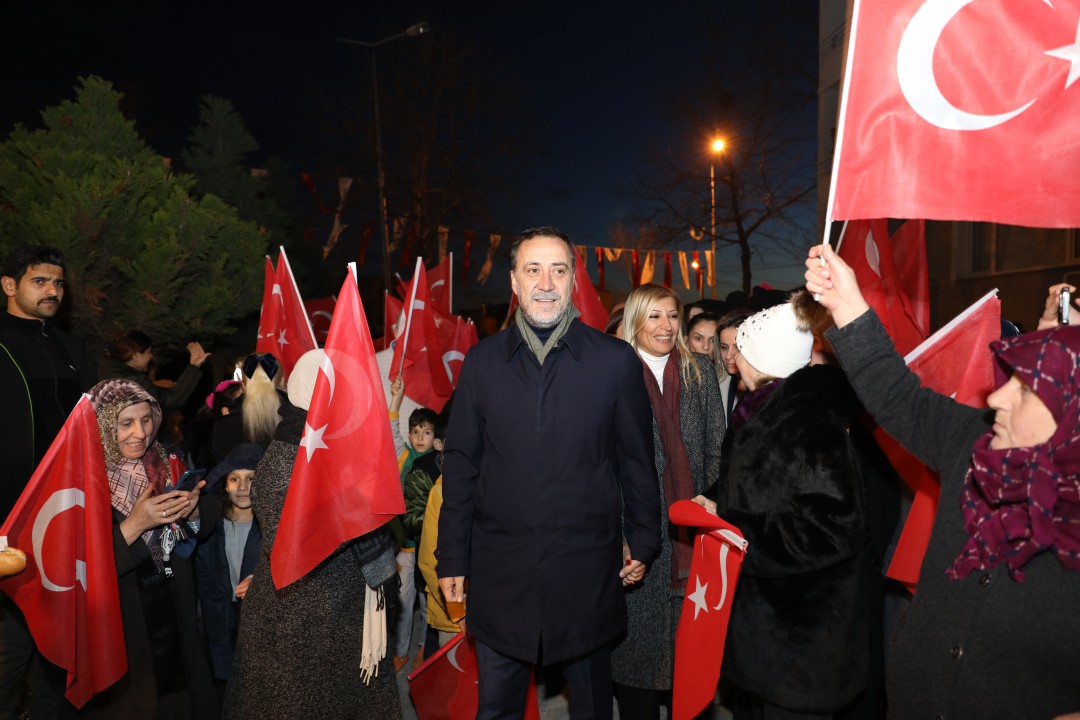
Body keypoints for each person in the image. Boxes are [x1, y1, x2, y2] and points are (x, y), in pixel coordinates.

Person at [806, 243, 1080, 718]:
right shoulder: (972, 443)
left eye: (1026, 387)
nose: (996, 398)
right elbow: (899, 397)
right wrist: (846, 303)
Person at [438, 226, 661, 720]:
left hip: (587, 566)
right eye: (532, 269)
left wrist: (643, 538)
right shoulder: (481, 363)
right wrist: (452, 555)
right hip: (501, 570)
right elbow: (461, 467)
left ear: (572, 279)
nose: (545, 282)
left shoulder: (614, 361)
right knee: (496, 707)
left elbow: (636, 460)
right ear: (514, 283)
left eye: (558, 270)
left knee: (590, 708)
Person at [715, 292, 896, 719]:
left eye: (741, 347)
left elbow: (831, 528)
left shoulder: (809, 421)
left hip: (801, 639)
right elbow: (762, 489)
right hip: (766, 629)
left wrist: (740, 534)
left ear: (761, 358)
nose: (733, 356)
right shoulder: (762, 412)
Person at [223, 349, 401, 719]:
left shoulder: (283, 445)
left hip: (283, 611)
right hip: (324, 622)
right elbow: (359, 533)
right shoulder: (322, 460)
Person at [611, 284, 724, 720]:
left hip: (691, 537)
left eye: (672, 315)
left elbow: (717, 447)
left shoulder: (699, 371)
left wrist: (708, 502)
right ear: (635, 319)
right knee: (636, 661)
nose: (665, 325)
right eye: (654, 315)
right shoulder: (613, 373)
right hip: (635, 537)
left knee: (691, 659)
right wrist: (622, 536)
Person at [84, 378, 220, 717]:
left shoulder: (166, 457)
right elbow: (76, 565)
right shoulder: (84, 475)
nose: (140, 433)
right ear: (102, 424)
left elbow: (210, 515)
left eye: (146, 419)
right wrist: (134, 525)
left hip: (178, 609)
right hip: (124, 623)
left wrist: (195, 508)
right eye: (125, 423)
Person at [0, 245, 95, 719]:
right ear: (9, 285)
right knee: (10, 649)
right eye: (40, 282)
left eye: (58, 283)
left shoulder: (69, 347)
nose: (53, 291)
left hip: (61, 518)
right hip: (7, 524)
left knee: (54, 654)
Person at [194, 443, 264, 695]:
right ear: (225, 484)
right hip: (219, 622)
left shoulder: (271, 528)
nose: (243, 487)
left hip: (256, 624)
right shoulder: (212, 527)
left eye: (251, 478)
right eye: (235, 479)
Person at [387, 378, 438, 671]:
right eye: (415, 432)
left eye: (427, 432)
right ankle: (401, 649)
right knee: (404, 600)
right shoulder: (403, 454)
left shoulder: (440, 462)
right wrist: (396, 399)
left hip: (429, 545)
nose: (420, 437)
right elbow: (390, 430)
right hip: (404, 543)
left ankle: (423, 648)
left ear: (436, 437)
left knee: (427, 597)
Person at [98, 330, 210, 411]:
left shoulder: (104, 372)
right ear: (136, 356)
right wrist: (195, 365)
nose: (151, 356)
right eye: (148, 352)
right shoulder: (134, 383)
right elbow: (172, 399)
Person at [715, 309, 753, 426]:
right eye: (724, 347)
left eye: (737, 347)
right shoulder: (716, 384)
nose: (728, 356)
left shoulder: (768, 388)